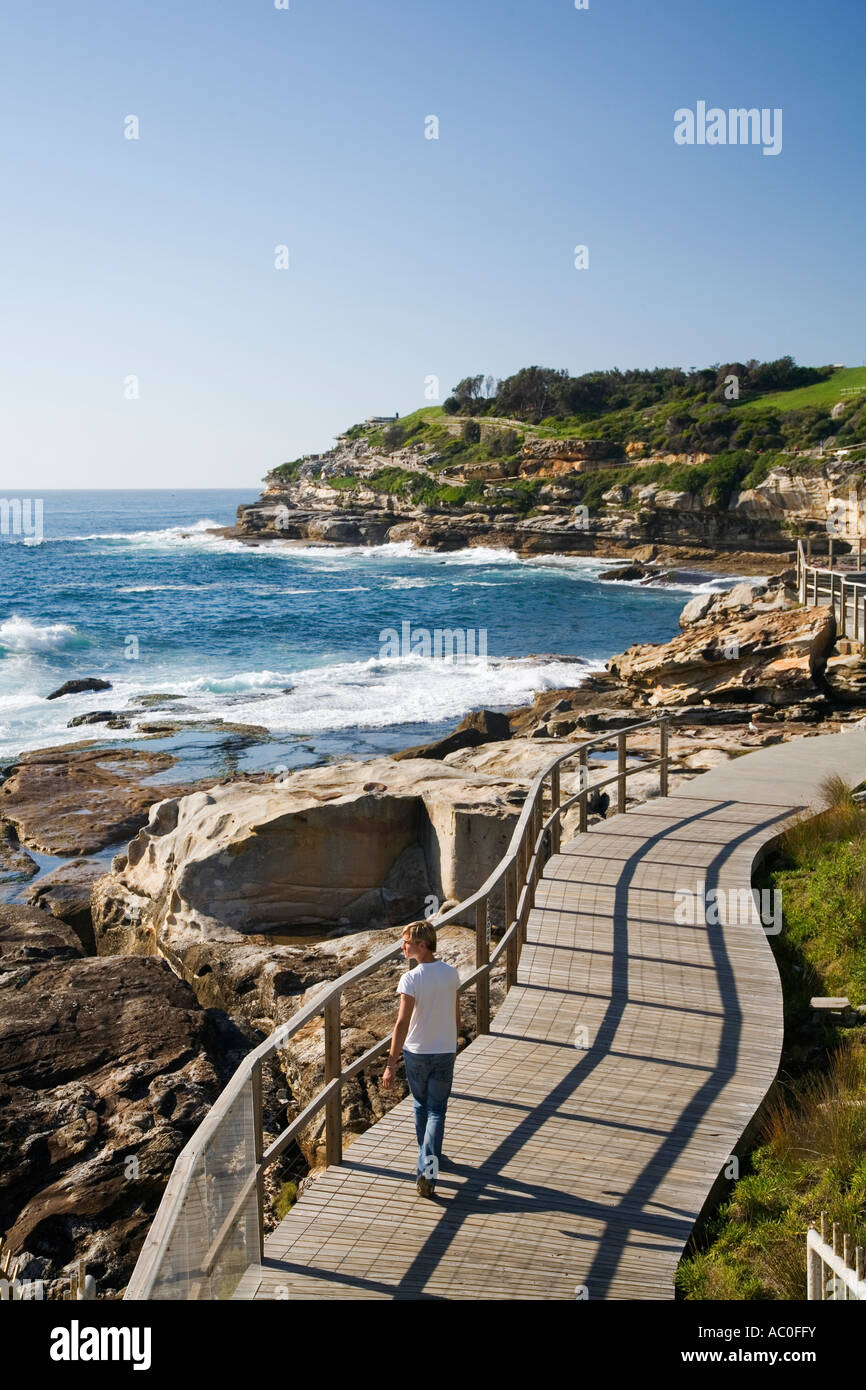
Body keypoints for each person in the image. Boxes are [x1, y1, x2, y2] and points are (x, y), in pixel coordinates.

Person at [382, 921, 460, 1198]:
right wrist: (452, 1041)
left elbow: (401, 1024)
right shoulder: (451, 974)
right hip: (444, 1049)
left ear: (422, 945)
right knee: (437, 1109)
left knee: (421, 1105)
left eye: (406, 942)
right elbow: (457, 1016)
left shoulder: (411, 978)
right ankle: (430, 1160)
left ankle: (426, 1160)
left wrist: (390, 1064)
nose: (402, 946)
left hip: (416, 1052)